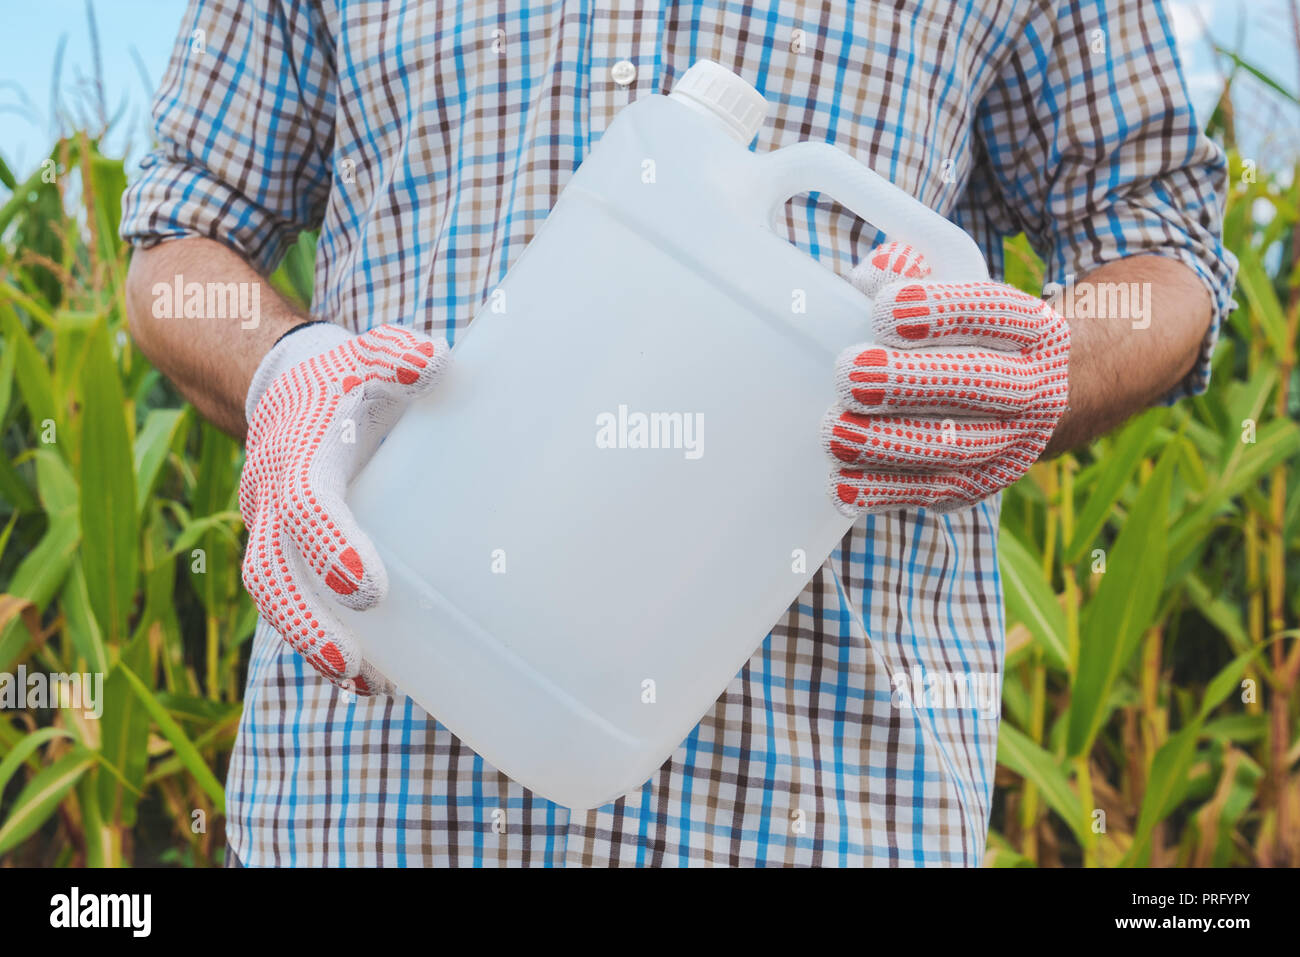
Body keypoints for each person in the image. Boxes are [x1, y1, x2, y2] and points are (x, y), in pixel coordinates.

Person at [122, 0, 1235, 867]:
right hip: (360, 807)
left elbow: (1159, 242)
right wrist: (281, 366)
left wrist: (1051, 362)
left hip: (830, 811)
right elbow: (182, 234)